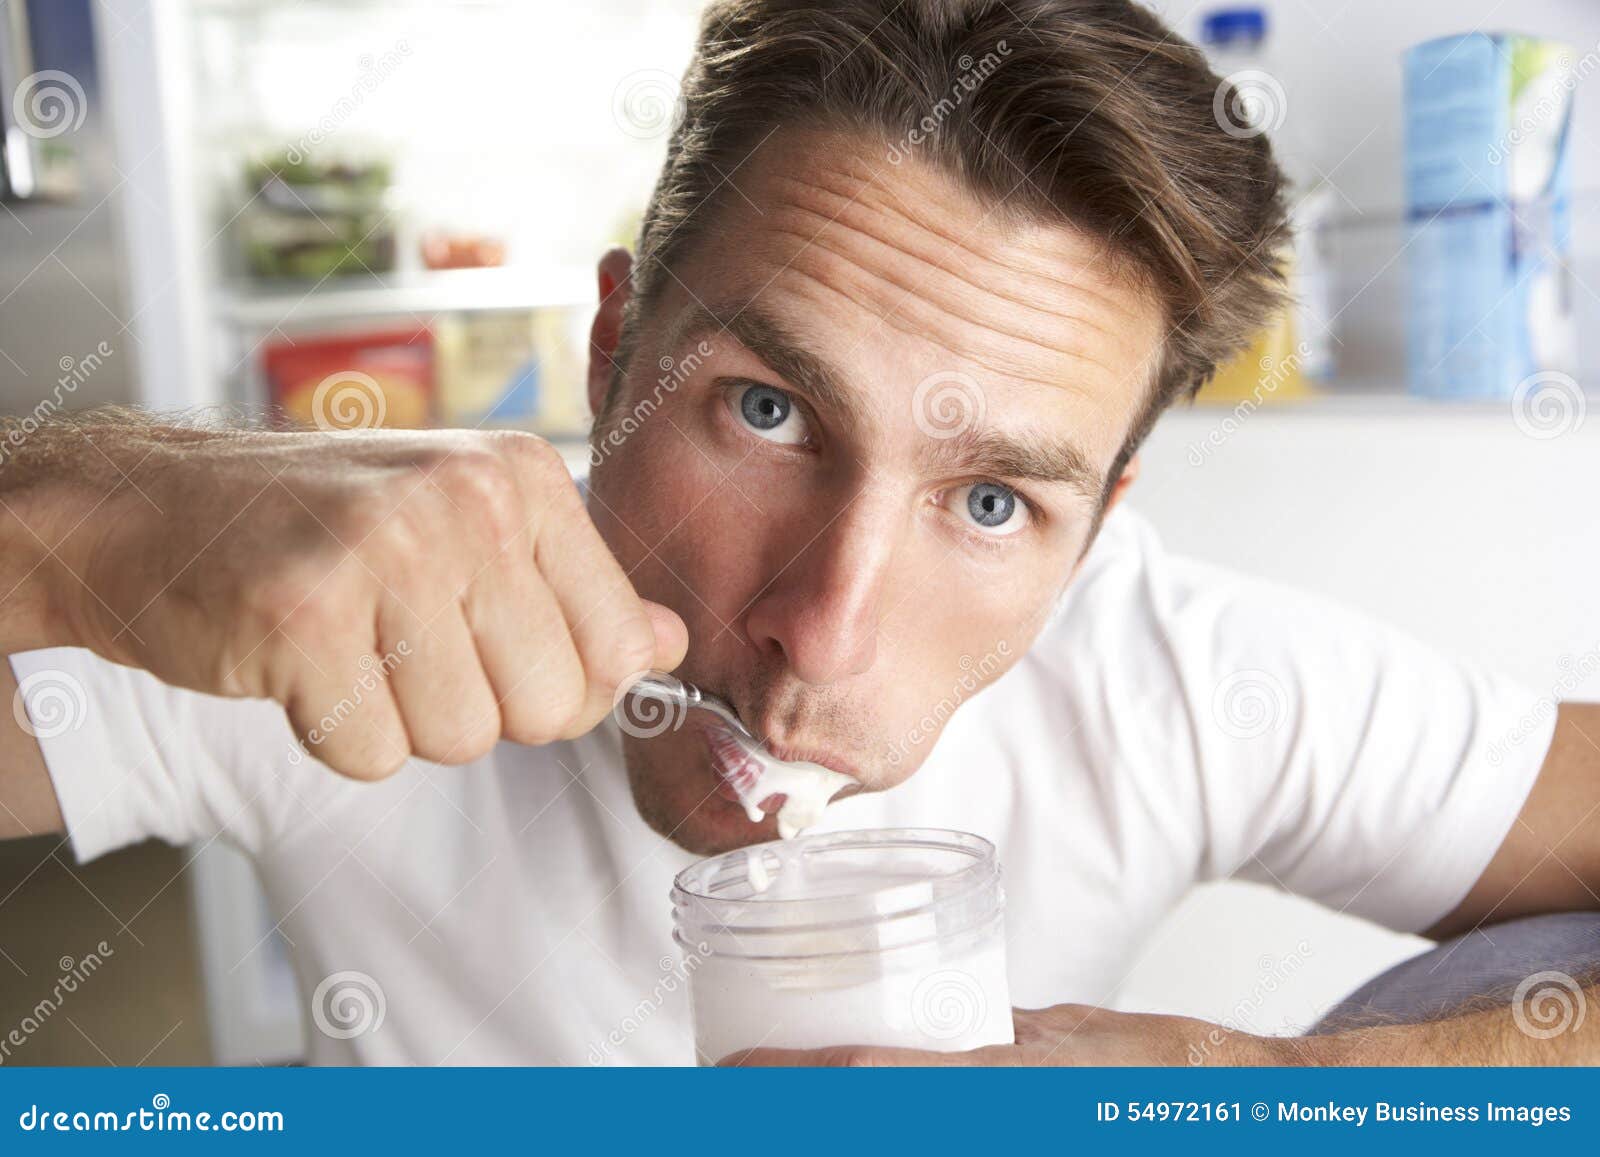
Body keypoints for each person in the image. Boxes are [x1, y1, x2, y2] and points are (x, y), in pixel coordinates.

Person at [1, 0, 1596, 1065]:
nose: (823, 630)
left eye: (990, 502)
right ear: (614, 350)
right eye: (766, 411)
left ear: (1098, 529)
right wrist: (92, 531)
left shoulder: (1174, 675)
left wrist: (1256, 1092)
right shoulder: (351, 622)